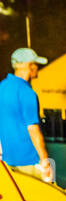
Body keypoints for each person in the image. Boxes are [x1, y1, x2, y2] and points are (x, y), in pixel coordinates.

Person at [0, 47, 53, 181]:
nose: (37, 68)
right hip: (30, 161)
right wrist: (45, 161)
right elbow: (33, 129)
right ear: (29, 66)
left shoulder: (2, 87)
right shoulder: (27, 93)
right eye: (36, 64)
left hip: (7, 163)